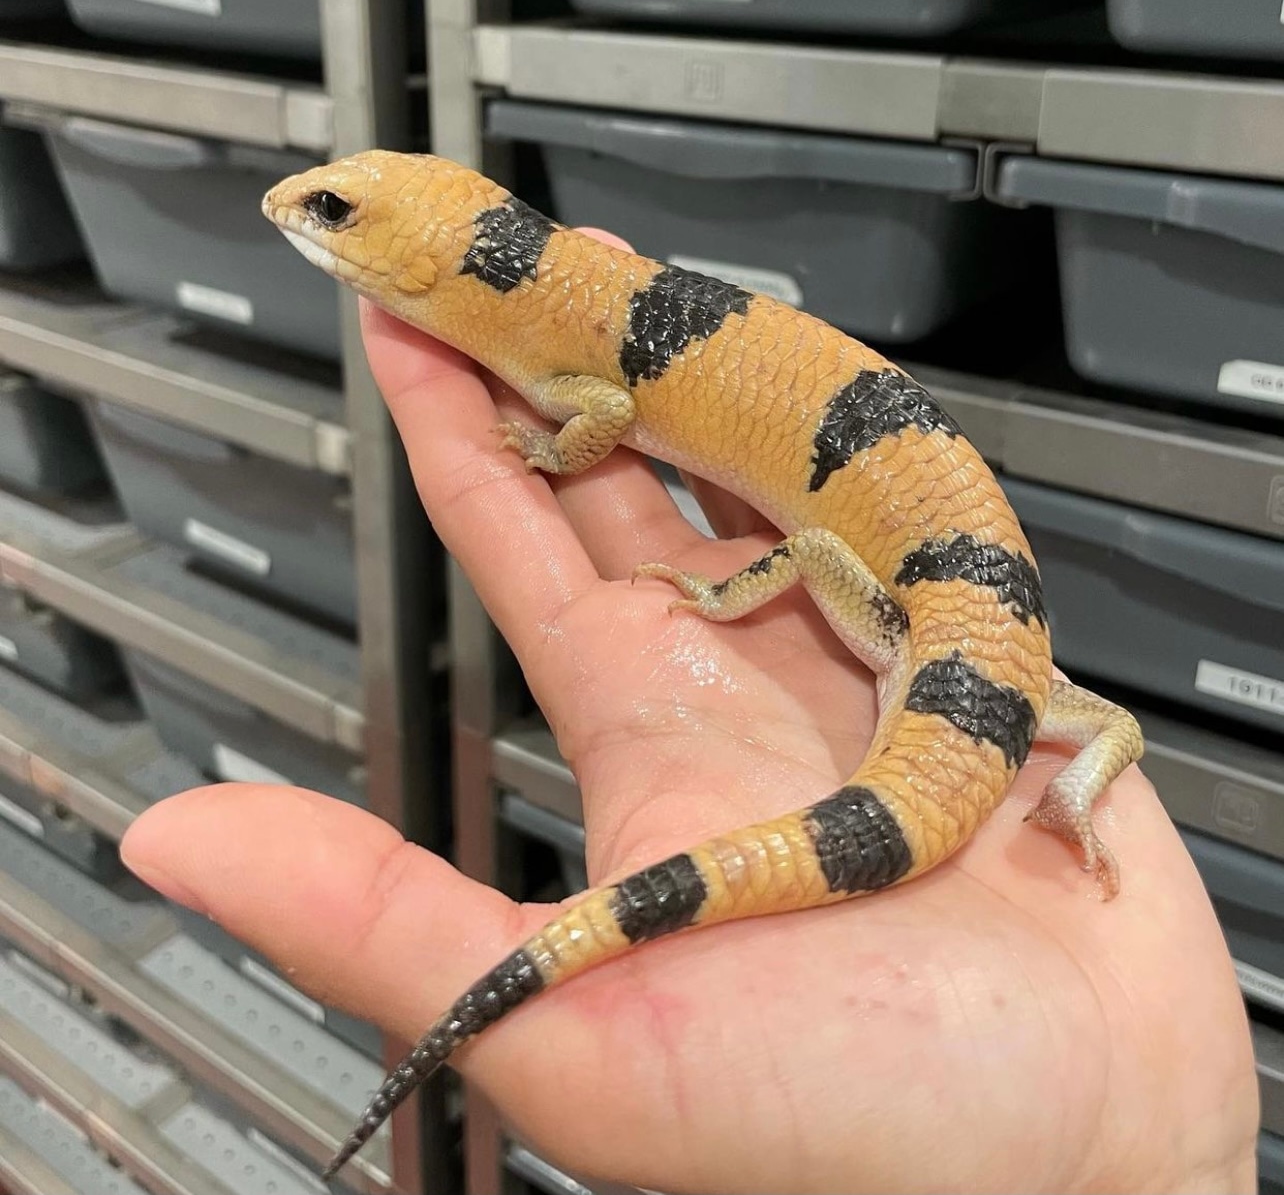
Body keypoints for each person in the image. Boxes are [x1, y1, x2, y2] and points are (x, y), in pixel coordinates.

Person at [121, 229, 1260, 1194]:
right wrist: (1068, 800)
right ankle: (1069, 791)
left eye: (333, 211)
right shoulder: (1024, 706)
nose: (299, 216)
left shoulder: (569, 355)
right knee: (1097, 719)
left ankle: (739, 601)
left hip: (925, 632)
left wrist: (726, 593)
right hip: (1002, 656)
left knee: (809, 544)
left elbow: (810, 545)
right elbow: (1118, 724)